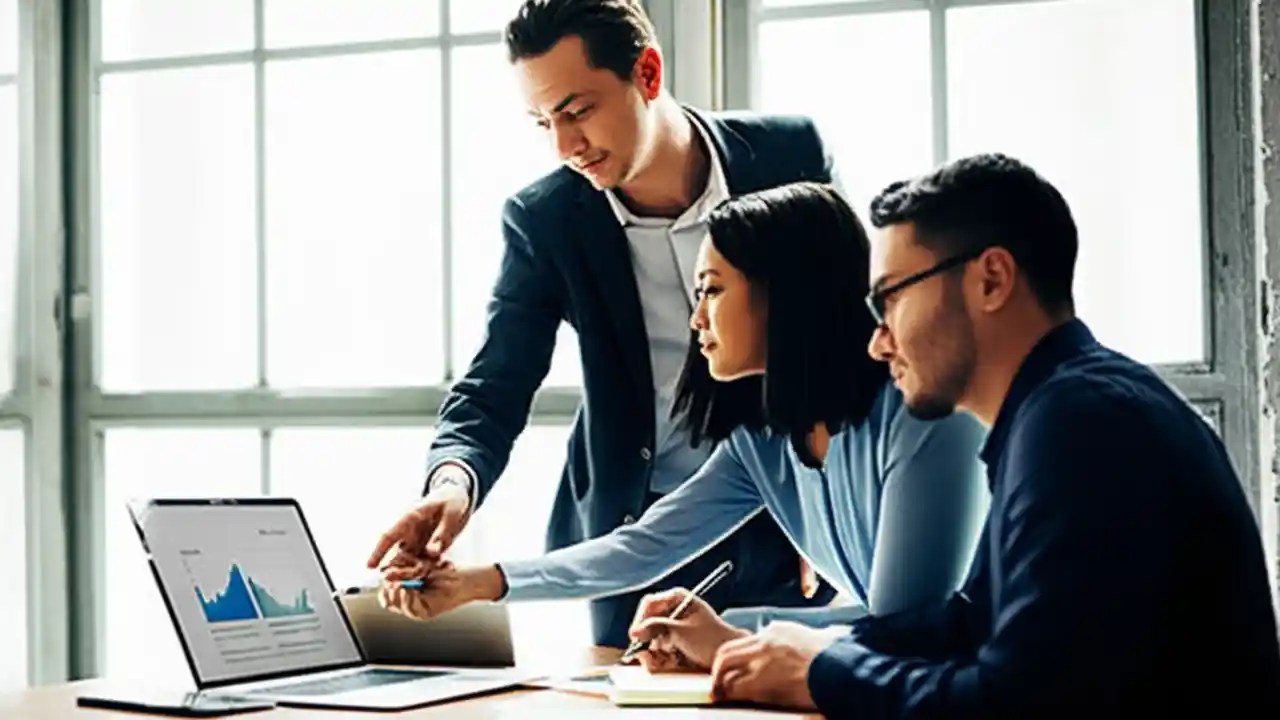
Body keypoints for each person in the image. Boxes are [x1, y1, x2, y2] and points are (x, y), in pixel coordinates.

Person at [629, 154, 1280, 716]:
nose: (877, 340)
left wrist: (822, 674)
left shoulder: (1080, 425)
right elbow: (973, 624)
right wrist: (771, 644)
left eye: (889, 300)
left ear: (990, 280)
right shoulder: (1064, 408)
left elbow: (1009, 700)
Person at [366, 0, 846, 647]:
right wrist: (452, 485)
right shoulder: (547, 219)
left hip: (780, 518)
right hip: (632, 531)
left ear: (647, 73)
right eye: (542, 123)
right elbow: (495, 384)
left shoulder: (789, 154)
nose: (564, 147)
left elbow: (844, 327)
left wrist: (828, 496)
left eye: (576, 111)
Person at [378, 183, 989, 657]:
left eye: (713, 290)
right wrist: (479, 584)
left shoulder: (927, 417)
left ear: (784, 295)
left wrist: (726, 632)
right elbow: (643, 545)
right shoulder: (764, 441)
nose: (696, 320)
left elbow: (905, 627)